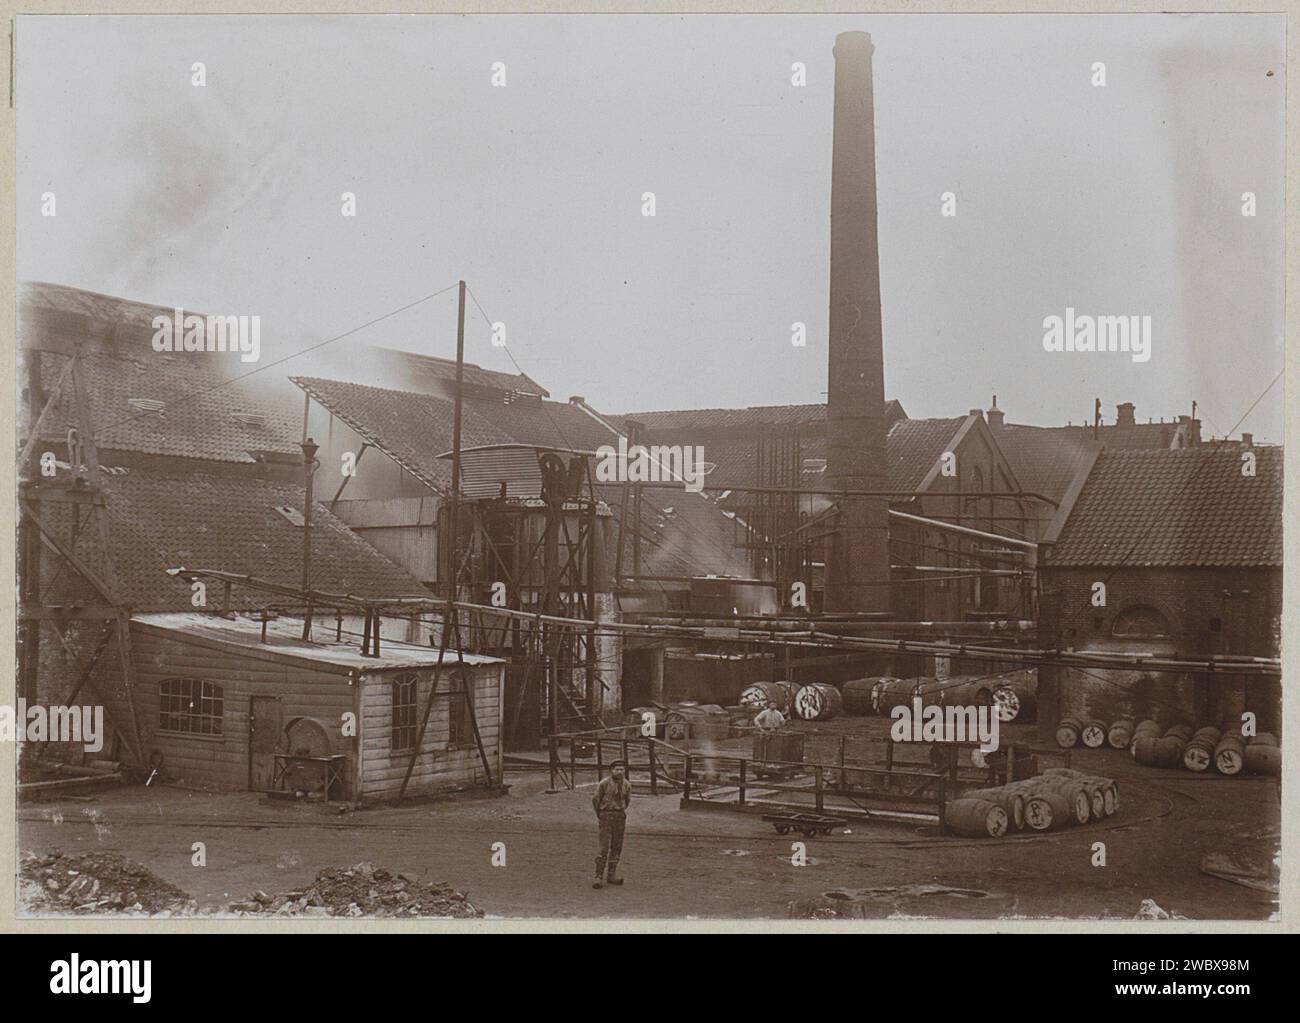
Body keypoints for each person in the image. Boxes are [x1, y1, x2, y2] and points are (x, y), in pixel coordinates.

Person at [592, 759, 632, 889]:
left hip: (619, 816)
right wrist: (601, 813)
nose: (619, 772)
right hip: (606, 815)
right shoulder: (604, 783)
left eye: (622, 769)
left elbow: (627, 800)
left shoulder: (626, 784)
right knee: (604, 847)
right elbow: (596, 799)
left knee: (617, 846)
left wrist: (620, 810)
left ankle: (611, 874)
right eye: (617, 769)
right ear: (611, 771)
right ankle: (598, 876)